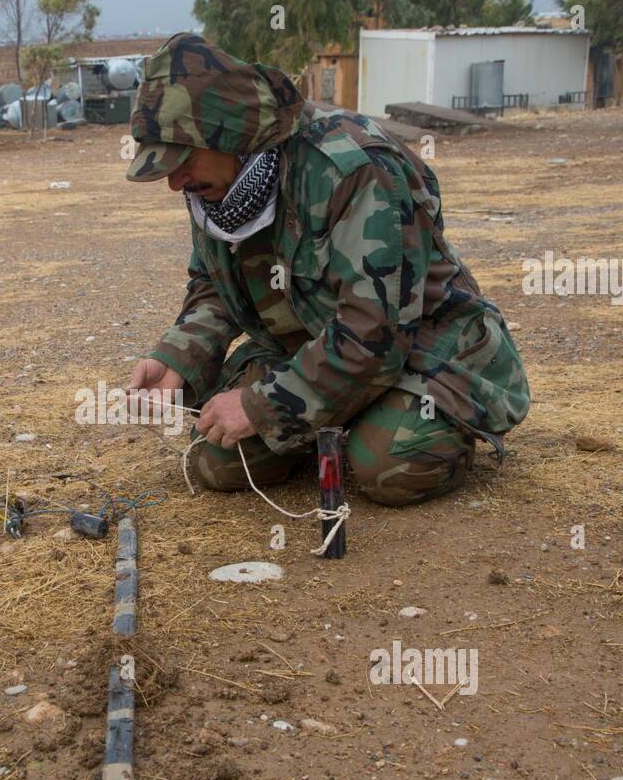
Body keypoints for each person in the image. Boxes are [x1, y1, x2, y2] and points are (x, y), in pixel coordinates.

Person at [125, 33, 530, 506]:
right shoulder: (220, 185)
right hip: (315, 350)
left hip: (422, 352)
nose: (175, 184)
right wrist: (178, 359)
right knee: (218, 460)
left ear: (232, 134)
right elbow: (216, 286)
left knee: (390, 464)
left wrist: (261, 405)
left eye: (183, 160)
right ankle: (330, 421)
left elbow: (375, 331)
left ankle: (399, 424)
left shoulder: (353, 169)